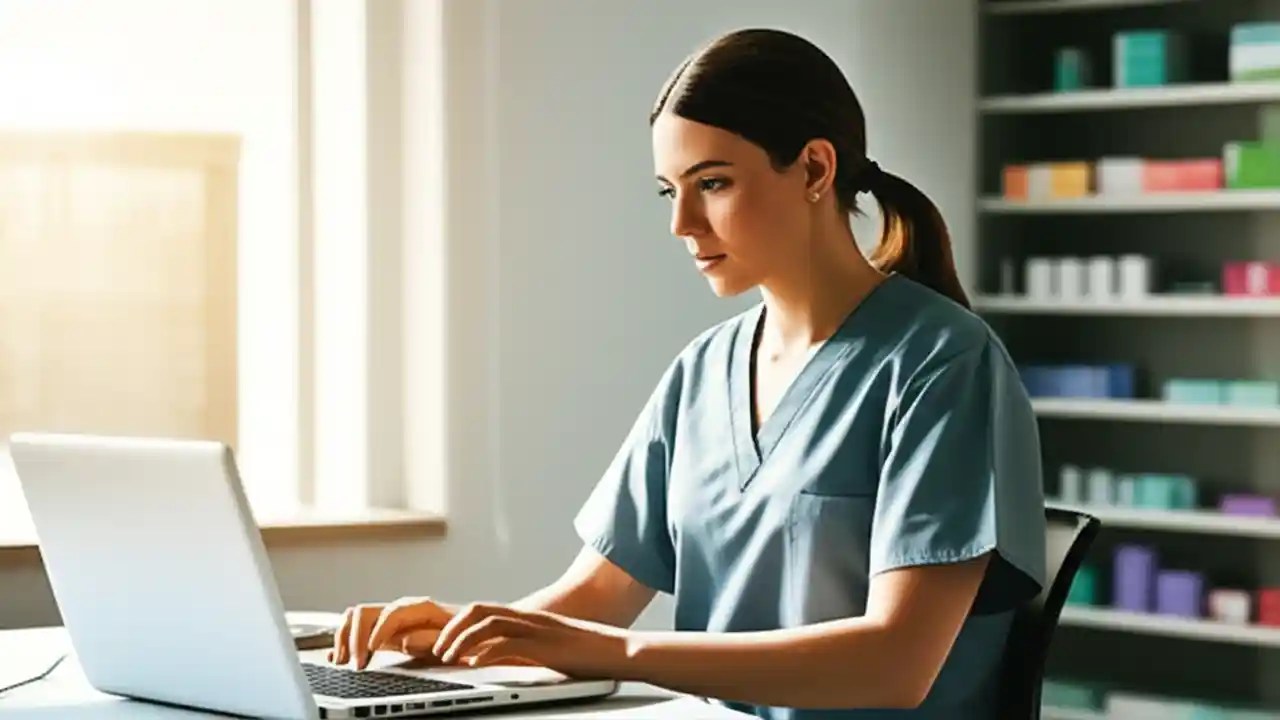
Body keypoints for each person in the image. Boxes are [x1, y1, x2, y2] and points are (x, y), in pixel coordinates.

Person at [329, 27, 1047, 719]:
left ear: (815, 169)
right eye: (669, 192)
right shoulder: (704, 370)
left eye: (713, 183)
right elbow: (596, 598)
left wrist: (625, 654)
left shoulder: (943, 362)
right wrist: (454, 635)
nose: (683, 224)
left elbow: (896, 663)